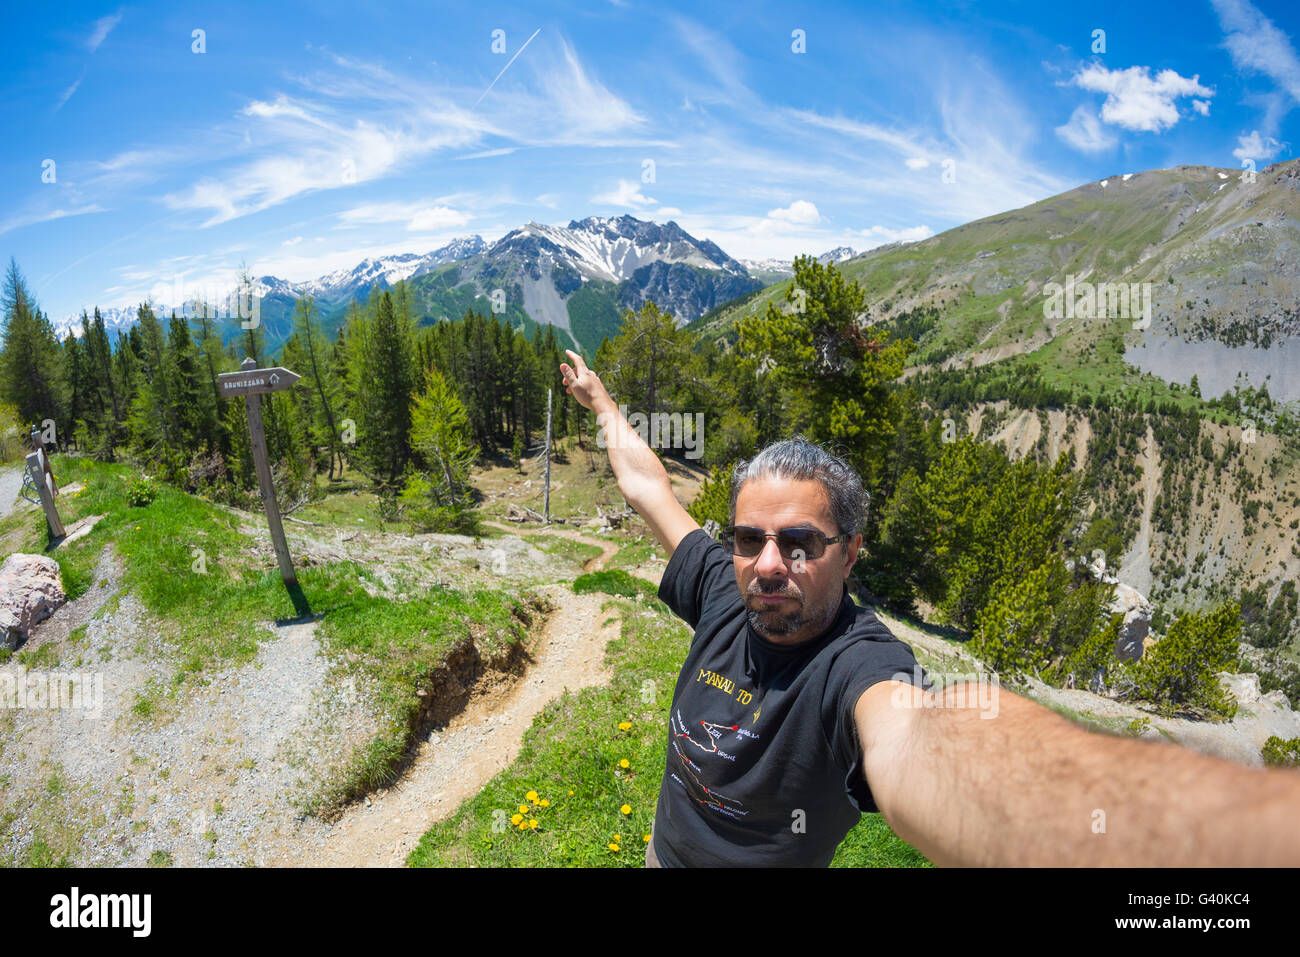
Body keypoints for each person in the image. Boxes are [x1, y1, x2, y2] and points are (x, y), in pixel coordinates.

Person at [559, 348, 1300, 867]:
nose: (768, 564)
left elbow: (925, 740)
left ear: (850, 554)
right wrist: (599, 400)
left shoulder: (858, 666)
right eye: (751, 538)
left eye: (800, 542)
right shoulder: (725, 587)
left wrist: (1218, 837)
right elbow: (647, 485)